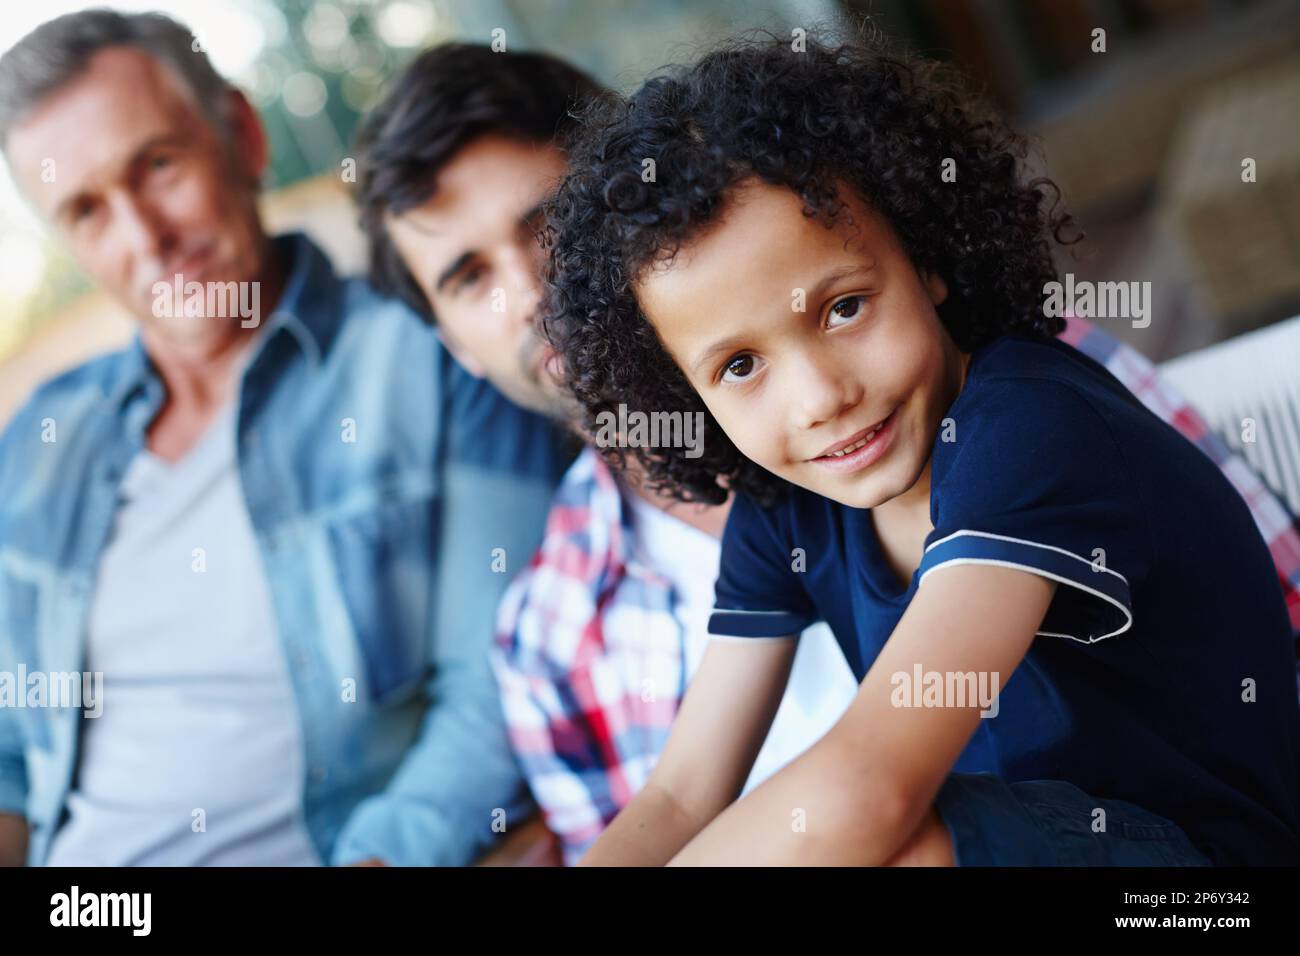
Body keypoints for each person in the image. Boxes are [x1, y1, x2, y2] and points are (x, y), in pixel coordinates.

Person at [542, 33, 1300, 865]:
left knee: (897, 841)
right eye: (740, 365)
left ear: (928, 259)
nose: (821, 398)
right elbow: (682, 793)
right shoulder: (788, 507)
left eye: (844, 308)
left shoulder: (1030, 430)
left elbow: (866, 796)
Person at [0, 10, 567, 867]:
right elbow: (10, 759)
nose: (144, 239)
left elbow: (490, 702)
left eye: (158, 165)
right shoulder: (44, 440)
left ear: (243, 135)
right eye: (86, 211)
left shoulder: (433, 355)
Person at [353, 43, 860, 865]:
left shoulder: (907, 384)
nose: (531, 295)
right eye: (469, 277)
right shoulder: (547, 645)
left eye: (546, 221)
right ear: (457, 348)